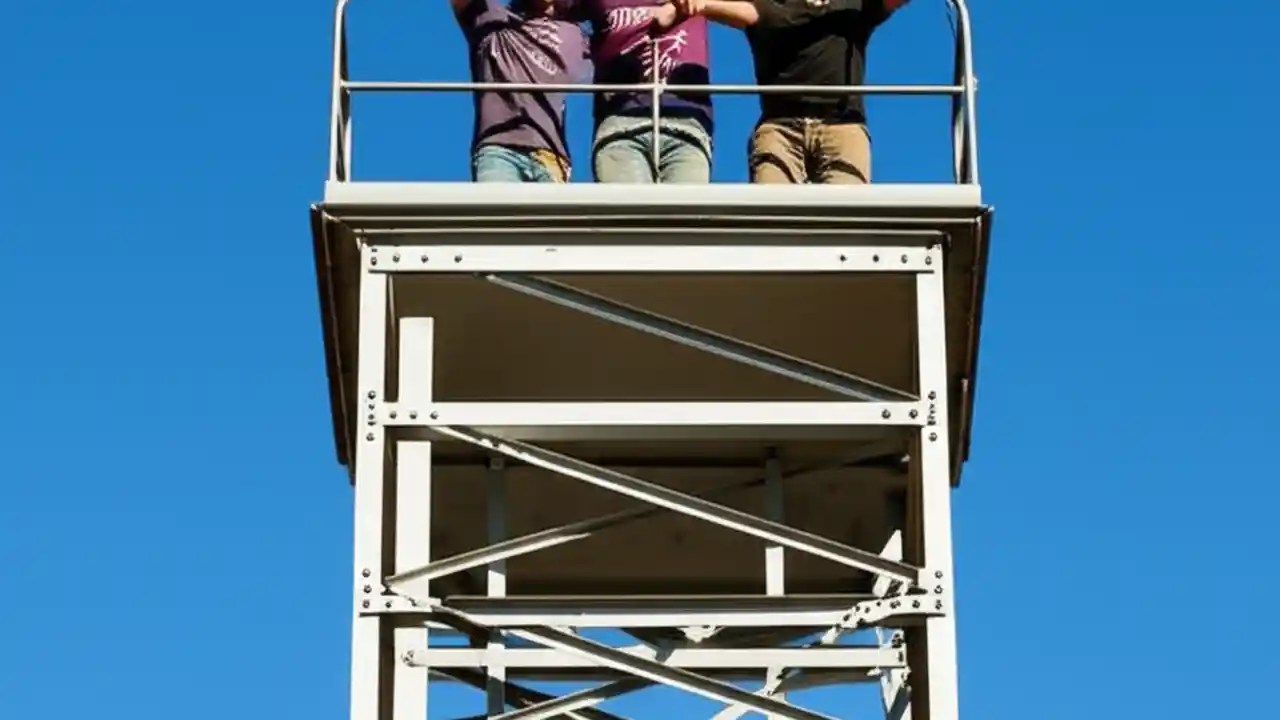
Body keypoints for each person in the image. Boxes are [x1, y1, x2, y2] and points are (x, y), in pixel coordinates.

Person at [686, 0, 909, 184]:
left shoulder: (855, 6)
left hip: (842, 127)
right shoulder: (769, 7)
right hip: (780, 130)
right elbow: (716, 6)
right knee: (773, 220)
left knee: (846, 223)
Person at [453, 0, 591, 182]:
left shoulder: (575, 34)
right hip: (499, 148)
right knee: (497, 210)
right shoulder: (491, 19)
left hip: (551, 156)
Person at [580, 0, 714, 182]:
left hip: (686, 123)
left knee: (685, 210)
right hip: (620, 123)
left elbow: (752, 11)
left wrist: (693, 5)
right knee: (628, 209)